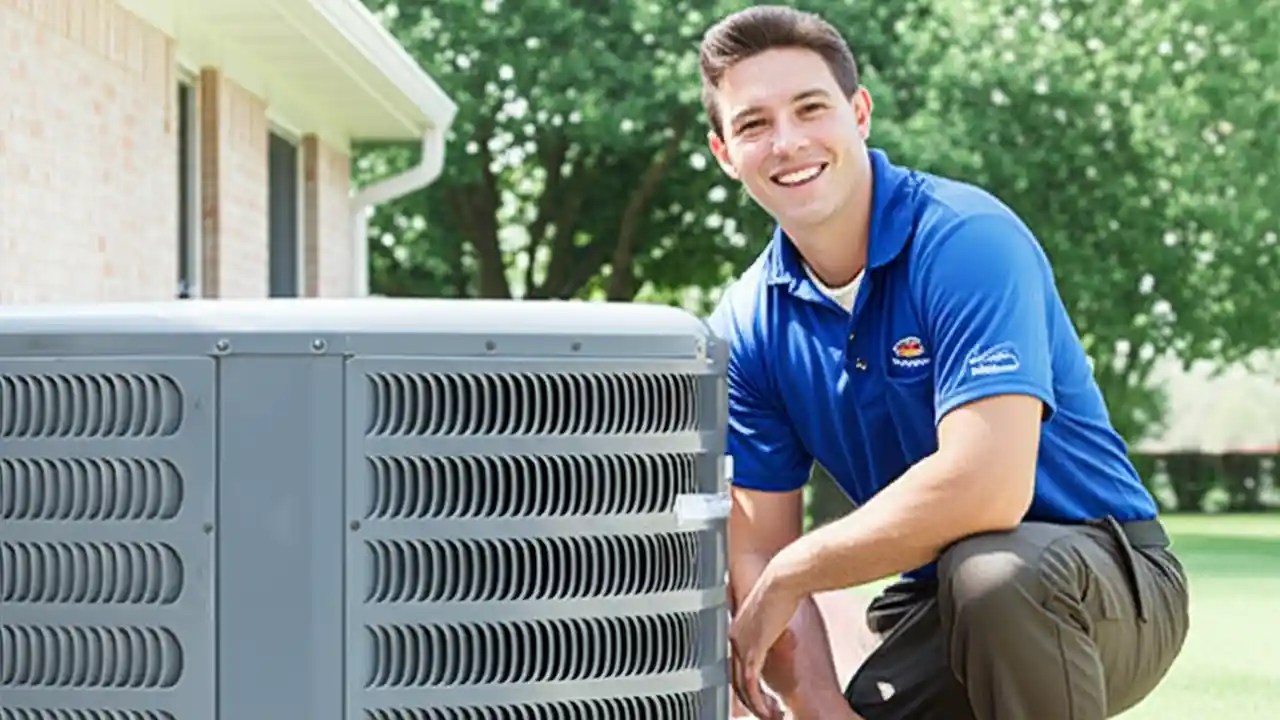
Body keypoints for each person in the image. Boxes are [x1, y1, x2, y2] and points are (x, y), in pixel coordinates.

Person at [698, 6, 1190, 720]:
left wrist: (795, 571)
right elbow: (755, 550)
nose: (788, 142)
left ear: (858, 113)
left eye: (811, 109)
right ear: (724, 153)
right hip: (939, 601)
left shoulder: (965, 240)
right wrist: (820, 705)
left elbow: (989, 490)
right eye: (753, 125)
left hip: (1105, 579)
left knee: (994, 576)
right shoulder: (748, 323)